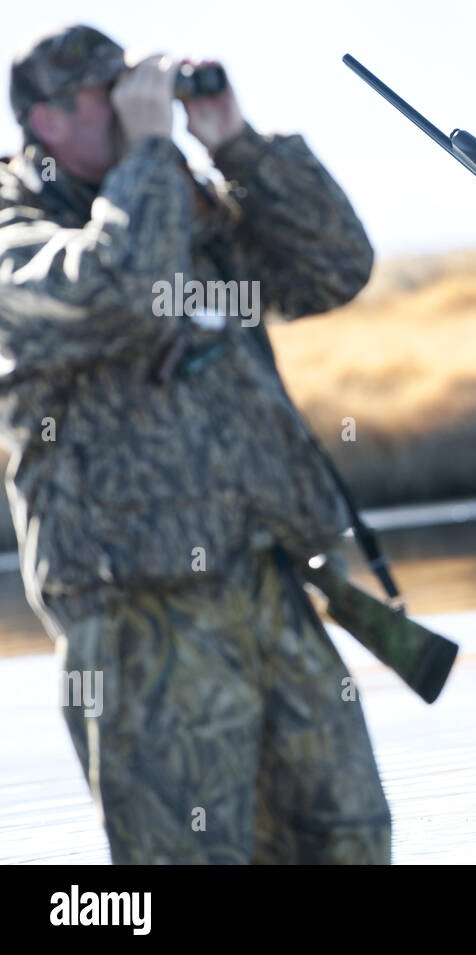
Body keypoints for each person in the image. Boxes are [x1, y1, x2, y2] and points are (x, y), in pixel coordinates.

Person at [0, 24, 390, 863]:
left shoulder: (184, 210)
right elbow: (118, 291)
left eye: (134, 91)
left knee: (346, 840)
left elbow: (335, 267)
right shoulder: (17, 231)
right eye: (109, 98)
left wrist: (236, 145)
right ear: (45, 120)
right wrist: (147, 155)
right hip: (138, 617)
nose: (135, 113)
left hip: (269, 582)